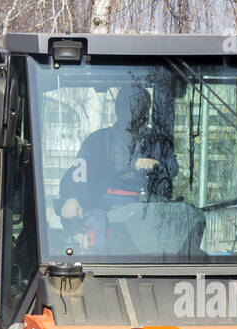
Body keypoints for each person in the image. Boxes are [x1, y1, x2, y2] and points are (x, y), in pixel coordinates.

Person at [57, 84, 177, 247]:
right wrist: (71, 199)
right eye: (132, 106)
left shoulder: (159, 143)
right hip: (104, 208)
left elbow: (173, 170)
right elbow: (77, 175)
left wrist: (156, 164)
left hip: (150, 208)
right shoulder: (97, 142)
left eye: (142, 107)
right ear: (118, 108)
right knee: (99, 245)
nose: (138, 113)